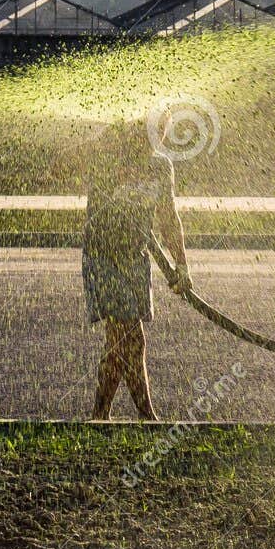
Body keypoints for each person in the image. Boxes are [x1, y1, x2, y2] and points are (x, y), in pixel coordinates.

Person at [83, 118, 191, 421]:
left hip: (136, 258)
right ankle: (147, 417)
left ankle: (99, 417)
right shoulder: (107, 155)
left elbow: (169, 217)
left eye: (163, 128)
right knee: (131, 335)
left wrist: (181, 265)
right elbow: (64, 165)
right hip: (103, 258)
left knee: (120, 341)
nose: (158, 135)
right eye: (152, 127)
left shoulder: (160, 166)